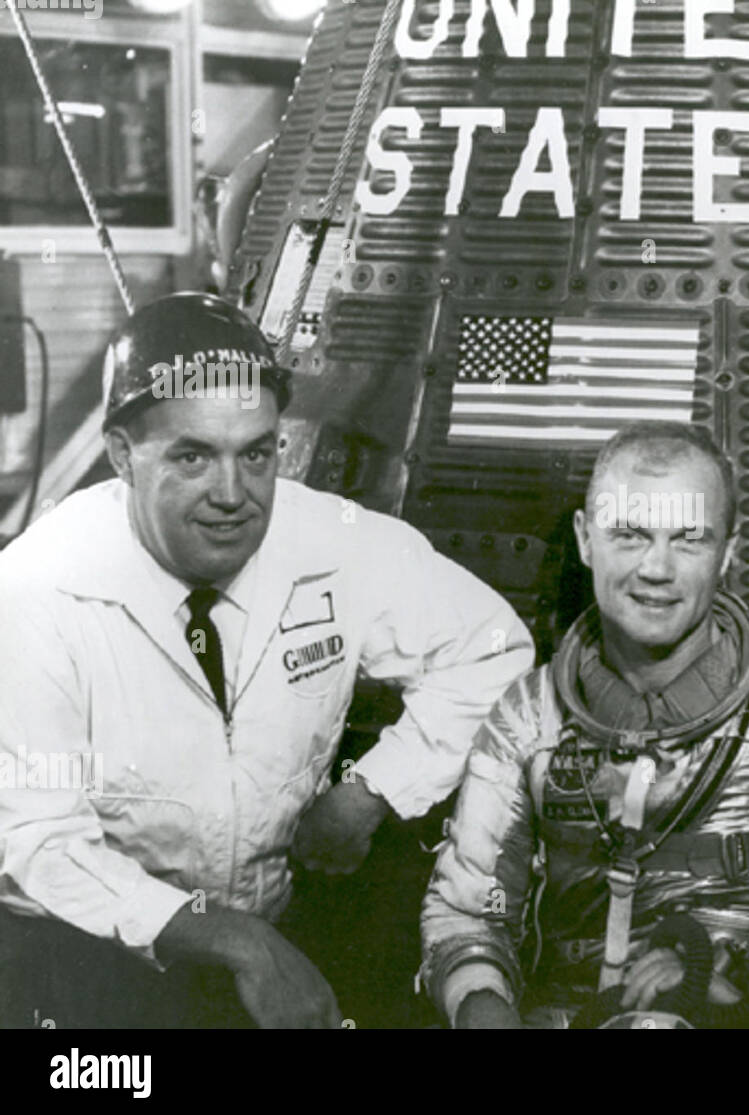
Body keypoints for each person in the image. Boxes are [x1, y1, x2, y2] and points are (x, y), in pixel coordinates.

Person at [0, 292, 534, 1028]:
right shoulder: (35, 592)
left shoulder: (330, 540)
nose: (233, 495)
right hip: (80, 959)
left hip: (273, 932)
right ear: (122, 455)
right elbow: (41, 842)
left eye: (256, 452)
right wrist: (236, 942)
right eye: (192, 456)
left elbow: (493, 647)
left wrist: (371, 790)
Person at [418, 420, 749, 1029]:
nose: (656, 568)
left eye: (689, 539)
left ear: (729, 550)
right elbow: (465, 911)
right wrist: (483, 1007)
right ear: (585, 539)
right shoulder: (527, 715)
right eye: (629, 535)